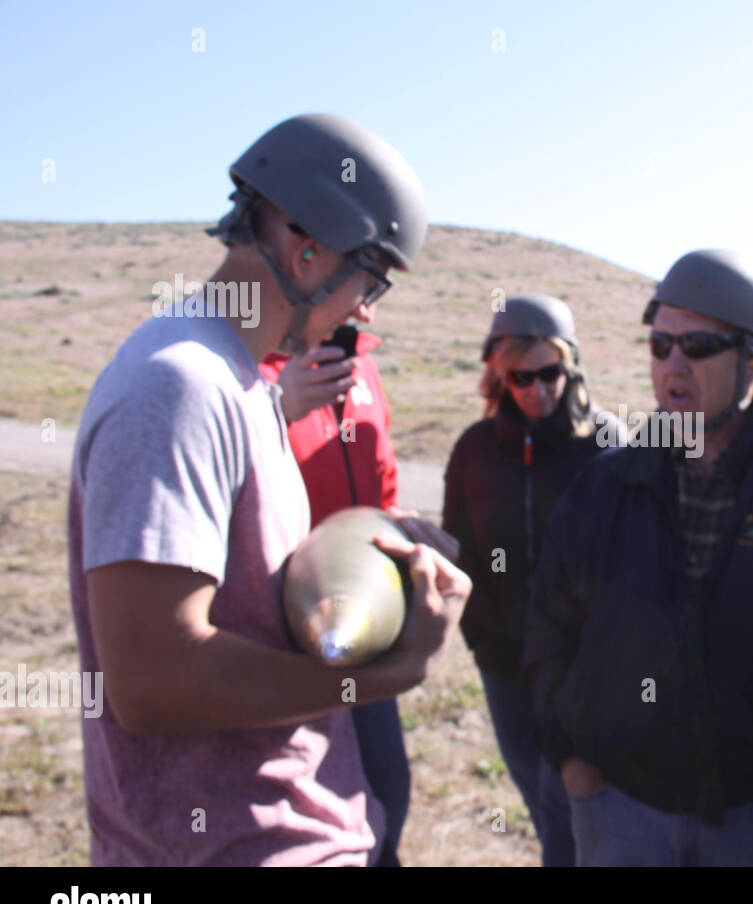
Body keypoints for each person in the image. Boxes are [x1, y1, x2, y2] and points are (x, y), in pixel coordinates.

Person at [68, 113, 470, 866]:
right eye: (372, 277)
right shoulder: (180, 387)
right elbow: (155, 681)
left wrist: (372, 567)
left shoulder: (241, 384)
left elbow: (246, 607)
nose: (367, 311)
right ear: (306, 247)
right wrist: (381, 677)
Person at [524, 249, 753, 866]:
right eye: (660, 347)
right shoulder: (605, 485)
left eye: (699, 346)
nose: (674, 367)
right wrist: (571, 757)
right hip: (619, 811)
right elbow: (548, 624)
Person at [442, 294, 615, 866]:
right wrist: (481, 639)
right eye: (520, 377)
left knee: (578, 807)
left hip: (586, 670)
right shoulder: (474, 450)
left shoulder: (608, 445)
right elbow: (459, 551)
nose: (537, 390)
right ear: (497, 372)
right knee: (541, 803)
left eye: (550, 374)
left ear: (572, 367)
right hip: (507, 666)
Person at [259, 322, 411, 866]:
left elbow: (380, 474)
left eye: (378, 289)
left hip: (364, 620)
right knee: (307, 805)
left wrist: (400, 532)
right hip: (285, 627)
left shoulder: (362, 365)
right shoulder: (254, 368)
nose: (368, 306)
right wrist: (277, 410)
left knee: (386, 787)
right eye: (361, 277)